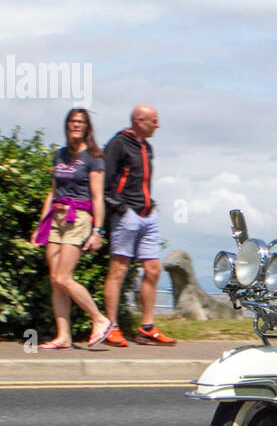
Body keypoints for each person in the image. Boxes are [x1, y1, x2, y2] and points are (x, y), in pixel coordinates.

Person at [31, 108, 113, 349]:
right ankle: (63, 336)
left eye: (80, 122)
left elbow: (98, 197)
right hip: (56, 217)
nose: (76, 125)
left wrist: (98, 230)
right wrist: (40, 225)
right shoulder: (60, 155)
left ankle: (99, 320)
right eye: (72, 121)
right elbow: (53, 192)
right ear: (66, 125)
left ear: (87, 127)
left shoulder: (94, 157)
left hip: (78, 218)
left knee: (64, 277)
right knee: (55, 279)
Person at [101, 104, 177, 346]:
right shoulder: (118, 144)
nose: (157, 125)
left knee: (153, 269)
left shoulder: (147, 147)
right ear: (139, 121)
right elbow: (105, 183)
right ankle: (111, 327)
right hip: (126, 216)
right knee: (118, 271)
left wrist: (150, 206)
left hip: (147, 215)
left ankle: (146, 328)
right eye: (153, 121)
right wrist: (122, 210)